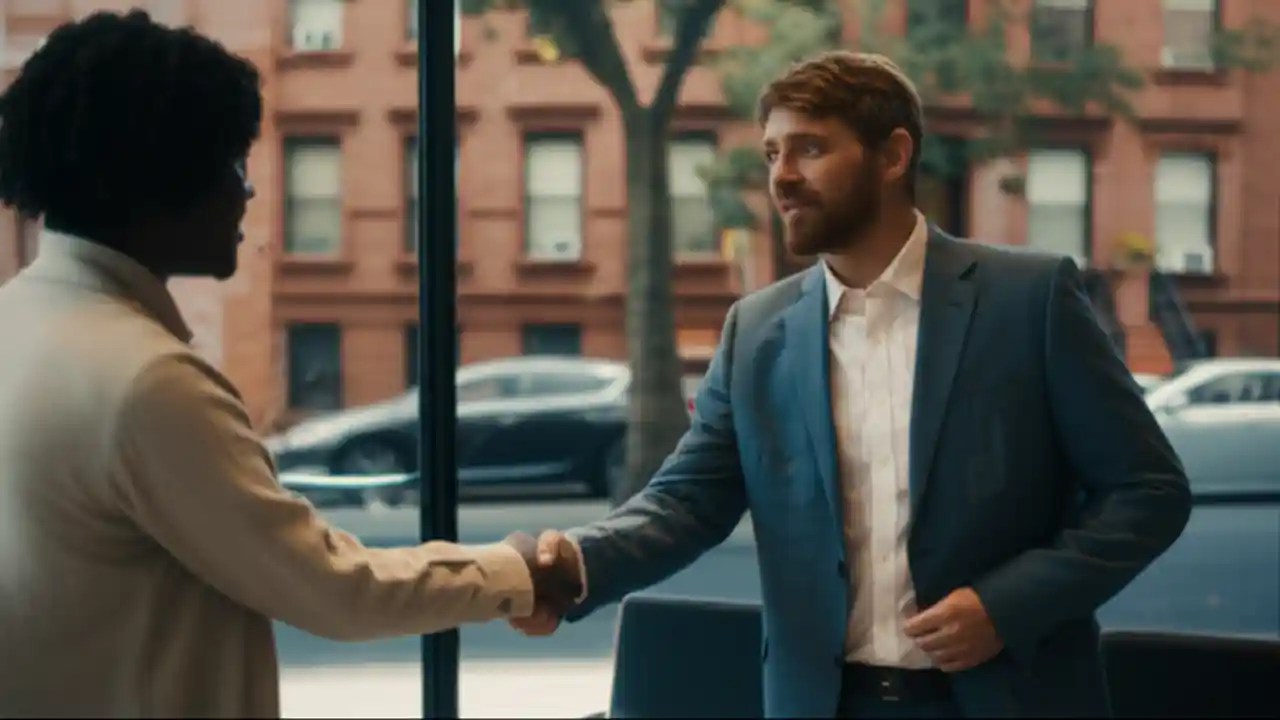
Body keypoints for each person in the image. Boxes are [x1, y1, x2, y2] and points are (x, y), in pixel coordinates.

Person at [510, 51, 1192, 718]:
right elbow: (687, 501)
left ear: (893, 156)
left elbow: (1147, 491)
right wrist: (574, 564)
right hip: (824, 702)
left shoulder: (1029, 300)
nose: (781, 177)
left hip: (1007, 695)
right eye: (772, 153)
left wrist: (1006, 606)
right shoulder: (756, 331)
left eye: (809, 150)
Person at [0, 11, 578, 718]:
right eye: (231, 163)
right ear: (160, 175)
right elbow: (330, 588)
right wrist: (511, 571)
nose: (246, 191)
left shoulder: (19, 323)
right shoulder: (144, 380)